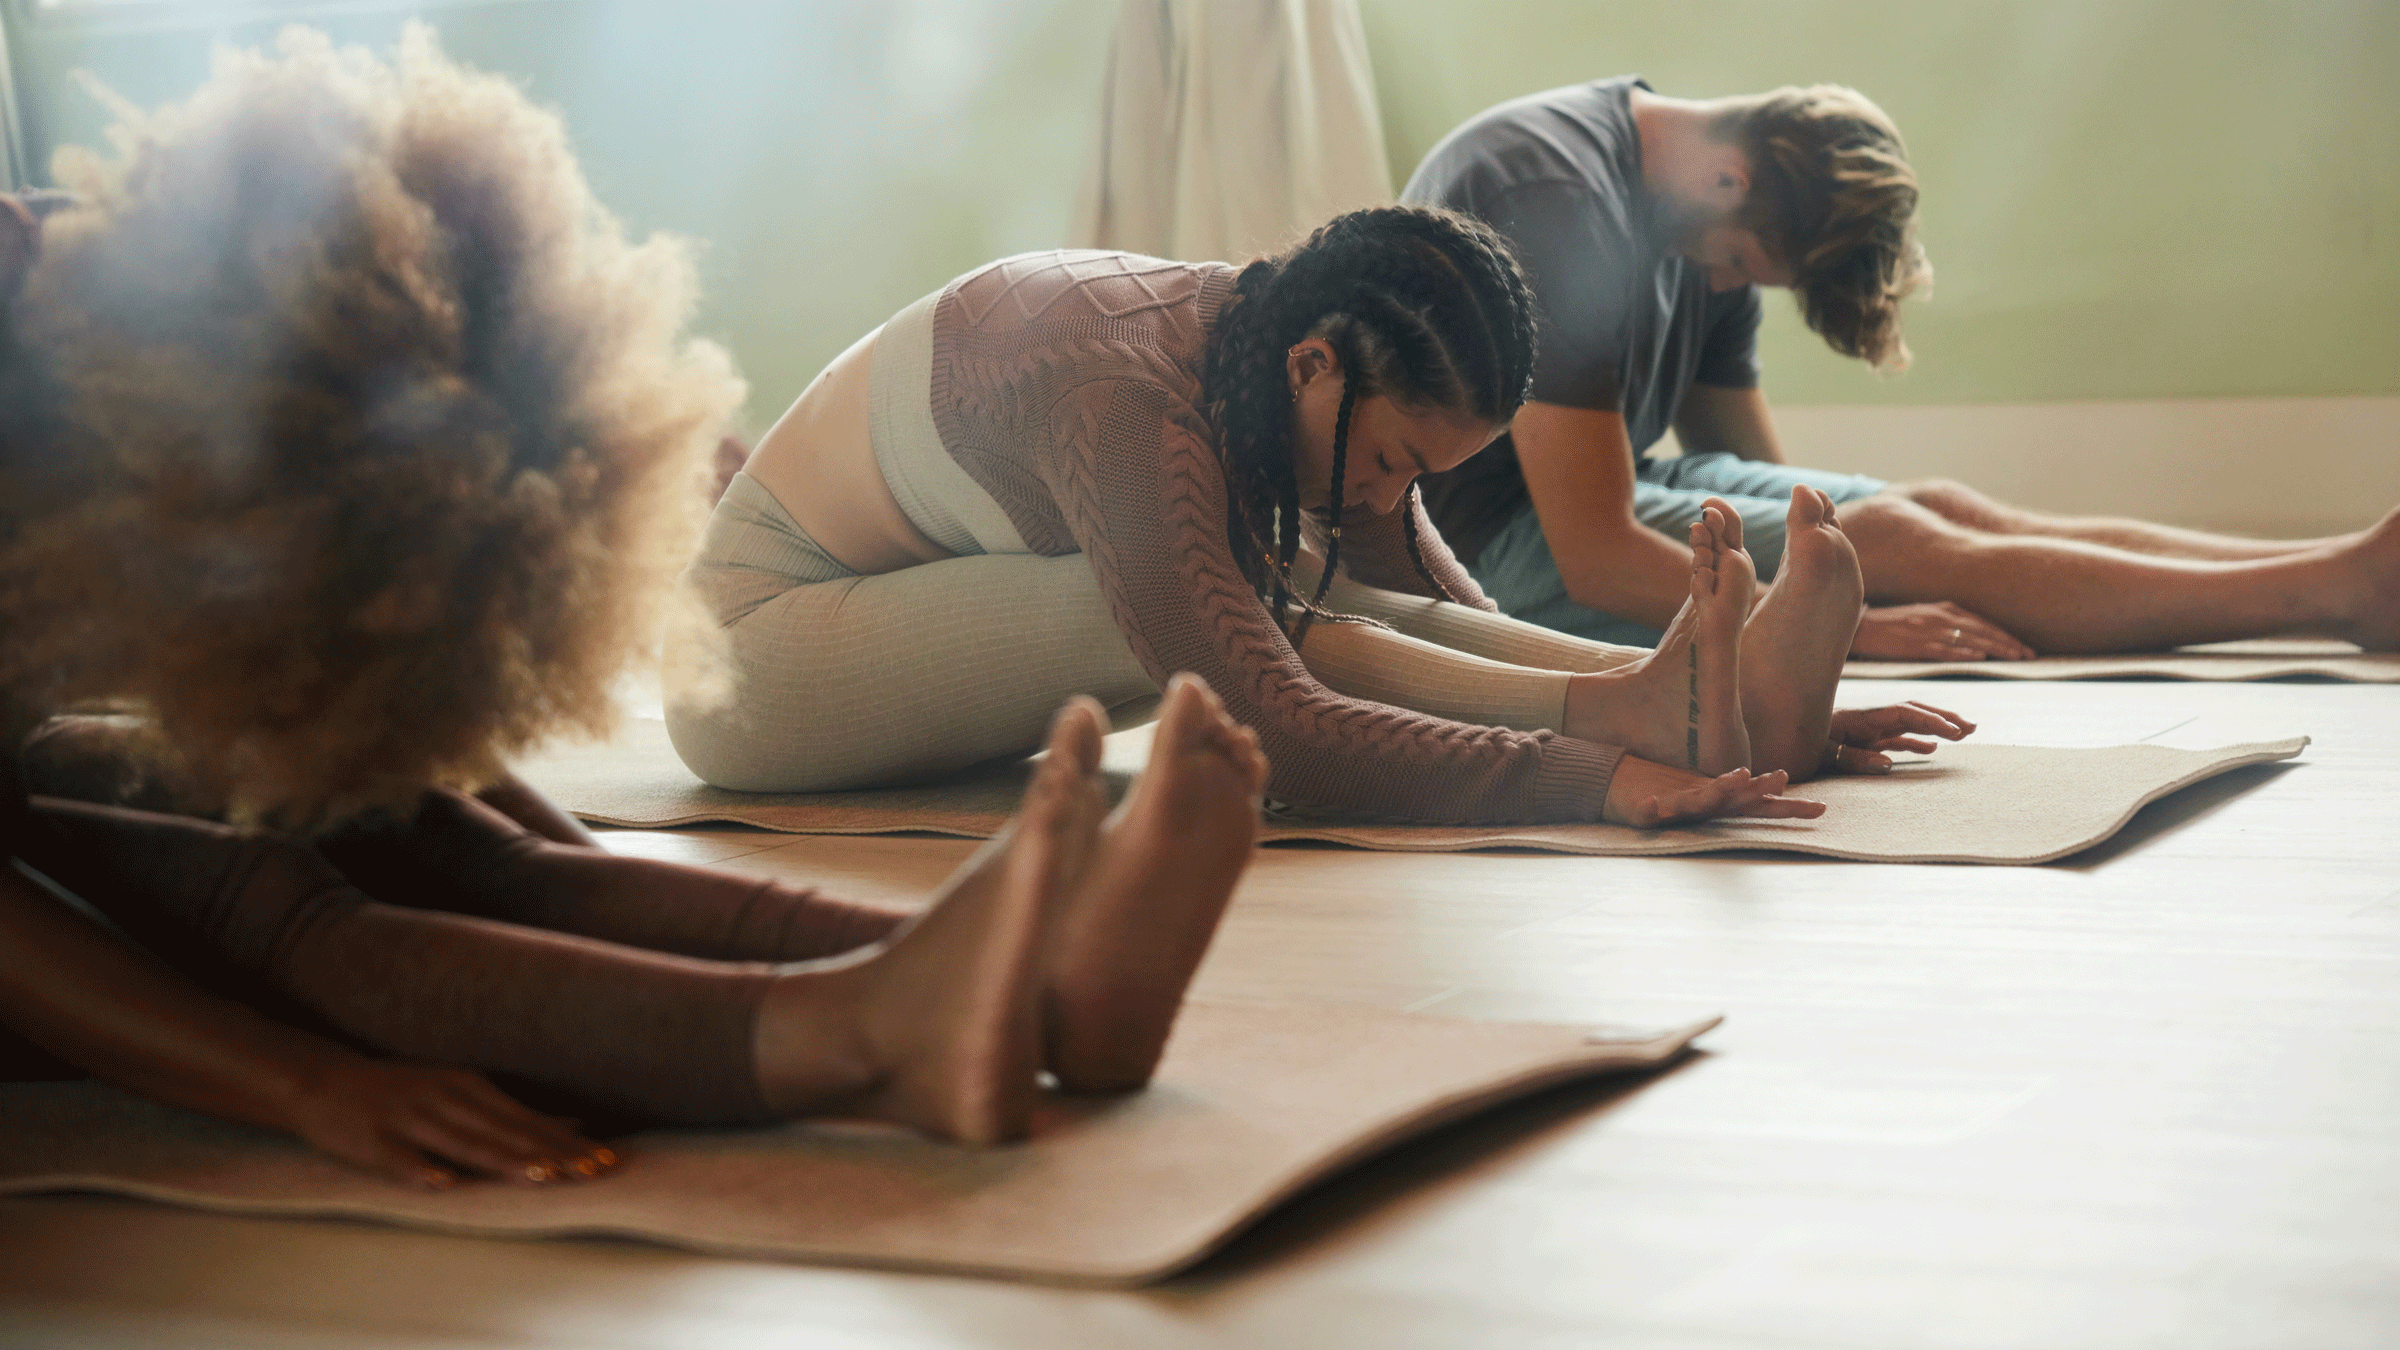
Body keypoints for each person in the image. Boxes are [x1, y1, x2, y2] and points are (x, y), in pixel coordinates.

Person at [0, 28, 1265, 1189]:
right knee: (250, 890)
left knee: (412, 822)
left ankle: (1027, 993)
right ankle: (862, 1038)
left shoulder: (103, 284)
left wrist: (539, 864)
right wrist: (305, 1087)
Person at [670, 204, 1970, 816]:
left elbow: (1413, 589)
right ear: (1316, 367)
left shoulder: (1268, 348)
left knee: (1290, 574)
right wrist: (1593, 774)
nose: (1393, 491)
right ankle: (1639, 706)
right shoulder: (1129, 406)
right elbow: (1273, 731)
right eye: (1395, 456)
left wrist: (1707, 705)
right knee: (1221, 599)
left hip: (899, 629)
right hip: (752, 662)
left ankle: (1659, 694)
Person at [1397, 78, 2400, 661]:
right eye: (1741, 262)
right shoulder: (1553, 198)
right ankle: (2329, 596)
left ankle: (2337, 568)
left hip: (1603, 493)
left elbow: (1764, 479)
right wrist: (1843, 625)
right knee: (1888, 543)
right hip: (1478, 546)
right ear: (1729, 179)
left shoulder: (1700, 213)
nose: (1727, 284)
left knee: (1930, 511)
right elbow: (1596, 556)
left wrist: (1848, 575)